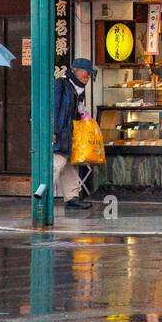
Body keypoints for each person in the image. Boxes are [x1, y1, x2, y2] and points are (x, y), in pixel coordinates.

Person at [53, 58, 96, 211]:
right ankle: (41, 196)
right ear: (76, 71)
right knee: (57, 165)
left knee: (71, 165)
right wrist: (53, 131)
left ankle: (72, 198)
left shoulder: (77, 90)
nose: (88, 77)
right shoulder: (61, 85)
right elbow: (54, 109)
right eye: (86, 73)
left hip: (71, 134)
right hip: (60, 133)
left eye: (89, 74)